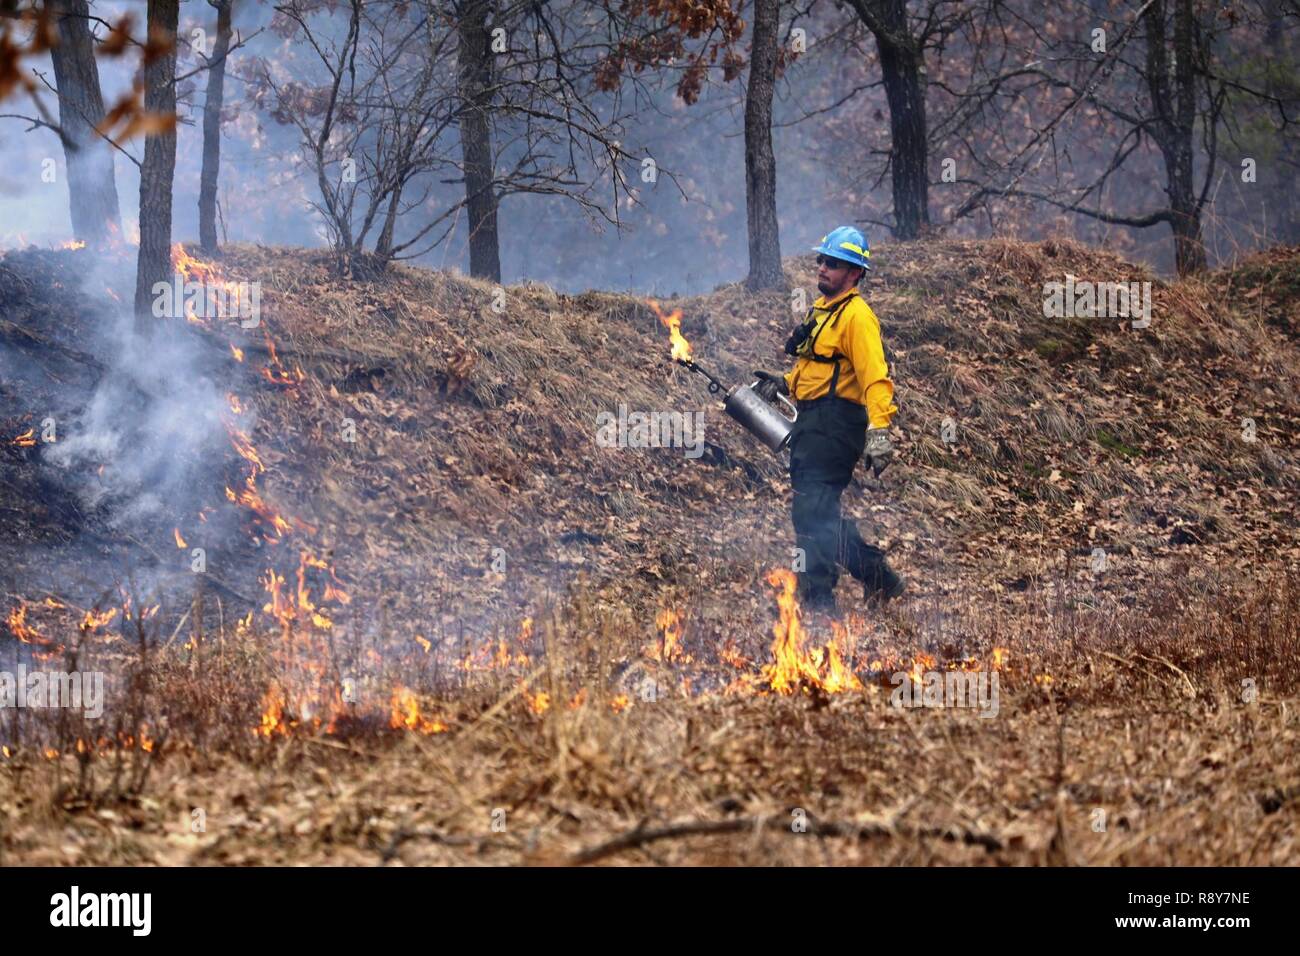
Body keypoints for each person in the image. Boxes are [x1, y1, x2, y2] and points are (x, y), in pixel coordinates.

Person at [753, 226, 905, 612]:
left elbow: (875, 378)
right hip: (812, 423)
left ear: (854, 274)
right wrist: (784, 383)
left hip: (837, 426)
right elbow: (817, 371)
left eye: (833, 263)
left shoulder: (857, 317)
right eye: (821, 260)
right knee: (816, 509)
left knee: (812, 509)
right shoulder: (823, 313)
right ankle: (877, 576)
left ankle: (819, 602)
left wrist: (880, 430)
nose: (822, 268)